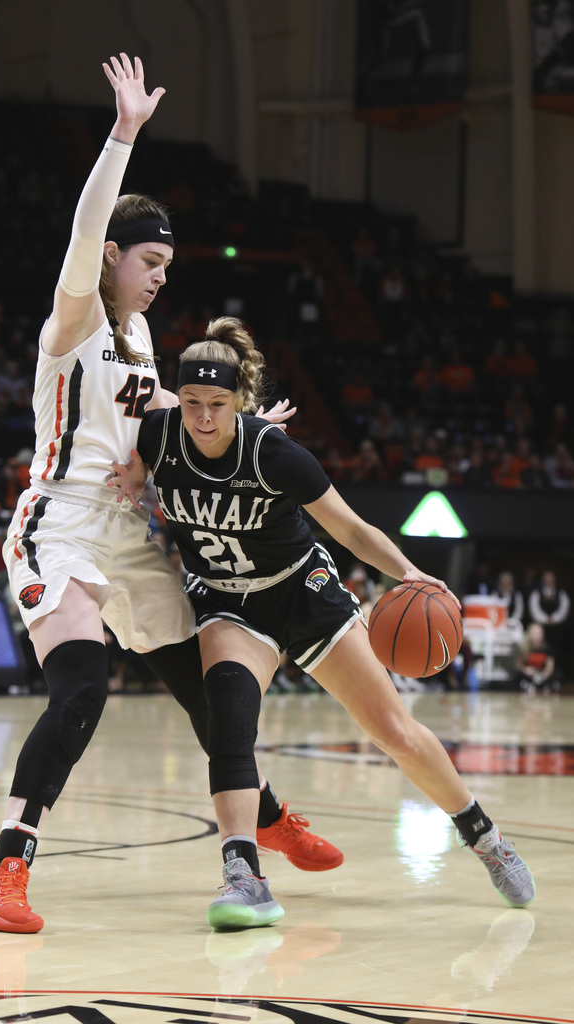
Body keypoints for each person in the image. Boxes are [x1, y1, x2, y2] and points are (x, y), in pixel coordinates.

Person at [0, 55, 340, 937]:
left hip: (128, 531)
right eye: (151, 260)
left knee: (207, 688)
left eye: (168, 262)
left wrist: (244, 424)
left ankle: (264, 814)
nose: (162, 274)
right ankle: (1, 869)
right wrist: (123, 134)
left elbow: (163, 404)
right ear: (113, 257)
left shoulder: (134, 331)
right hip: (60, 522)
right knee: (82, 690)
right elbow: (86, 229)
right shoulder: (77, 316)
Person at [114, 315, 535, 930]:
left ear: (239, 401)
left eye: (217, 404)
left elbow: (353, 531)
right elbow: (118, 425)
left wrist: (411, 573)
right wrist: (132, 473)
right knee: (229, 723)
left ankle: (484, 835)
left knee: (393, 730)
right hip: (228, 603)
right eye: (193, 401)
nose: (202, 416)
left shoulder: (273, 452)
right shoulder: (157, 435)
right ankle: (243, 875)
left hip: (302, 593)